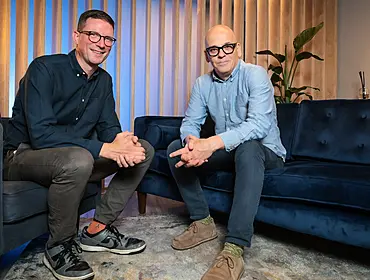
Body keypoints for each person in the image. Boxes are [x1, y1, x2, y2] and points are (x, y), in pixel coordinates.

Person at [4, 10, 154, 280]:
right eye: (94, 35)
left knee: (144, 150)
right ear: (77, 37)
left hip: (75, 158)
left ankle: (97, 229)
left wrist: (123, 141)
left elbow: (108, 126)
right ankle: (59, 246)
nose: (101, 43)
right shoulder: (44, 68)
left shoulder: (104, 81)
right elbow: (41, 135)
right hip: (24, 155)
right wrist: (105, 149)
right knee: (79, 158)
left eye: (109, 39)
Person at [167, 25, 286, 280]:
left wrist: (209, 144)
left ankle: (234, 248)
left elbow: (257, 126)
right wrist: (192, 143)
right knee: (175, 150)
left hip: (265, 153)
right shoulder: (202, 84)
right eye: (214, 49)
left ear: (238, 49)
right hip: (229, 152)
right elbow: (190, 122)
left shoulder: (255, 75)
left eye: (227, 47)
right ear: (207, 54)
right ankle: (202, 222)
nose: (221, 54)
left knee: (249, 147)